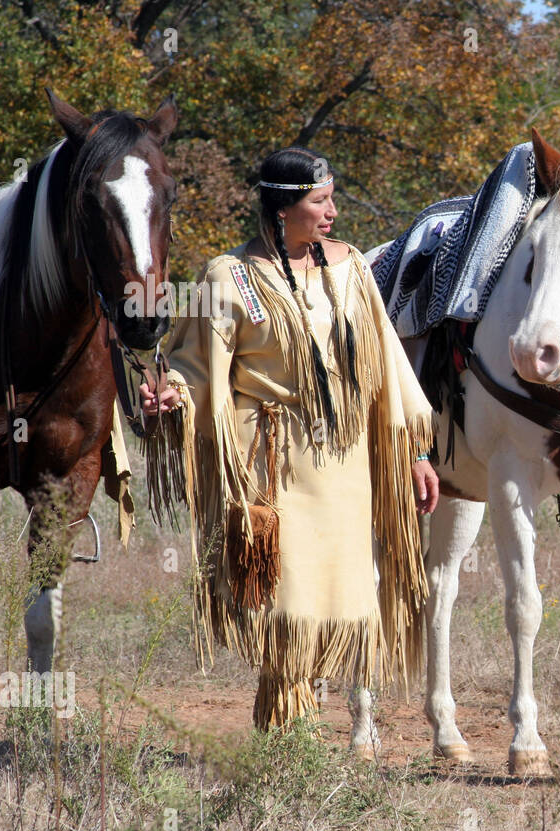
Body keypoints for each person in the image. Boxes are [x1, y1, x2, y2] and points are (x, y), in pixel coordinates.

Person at [141, 146, 439, 734]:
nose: (331, 213)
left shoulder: (351, 266)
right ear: (282, 210)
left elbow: (386, 364)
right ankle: (285, 748)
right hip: (272, 465)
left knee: (341, 606)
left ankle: (297, 756)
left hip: (344, 466)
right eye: (318, 202)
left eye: (331, 199)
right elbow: (198, 366)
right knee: (287, 608)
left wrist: (416, 453)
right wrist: (174, 393)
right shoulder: (230, 278)